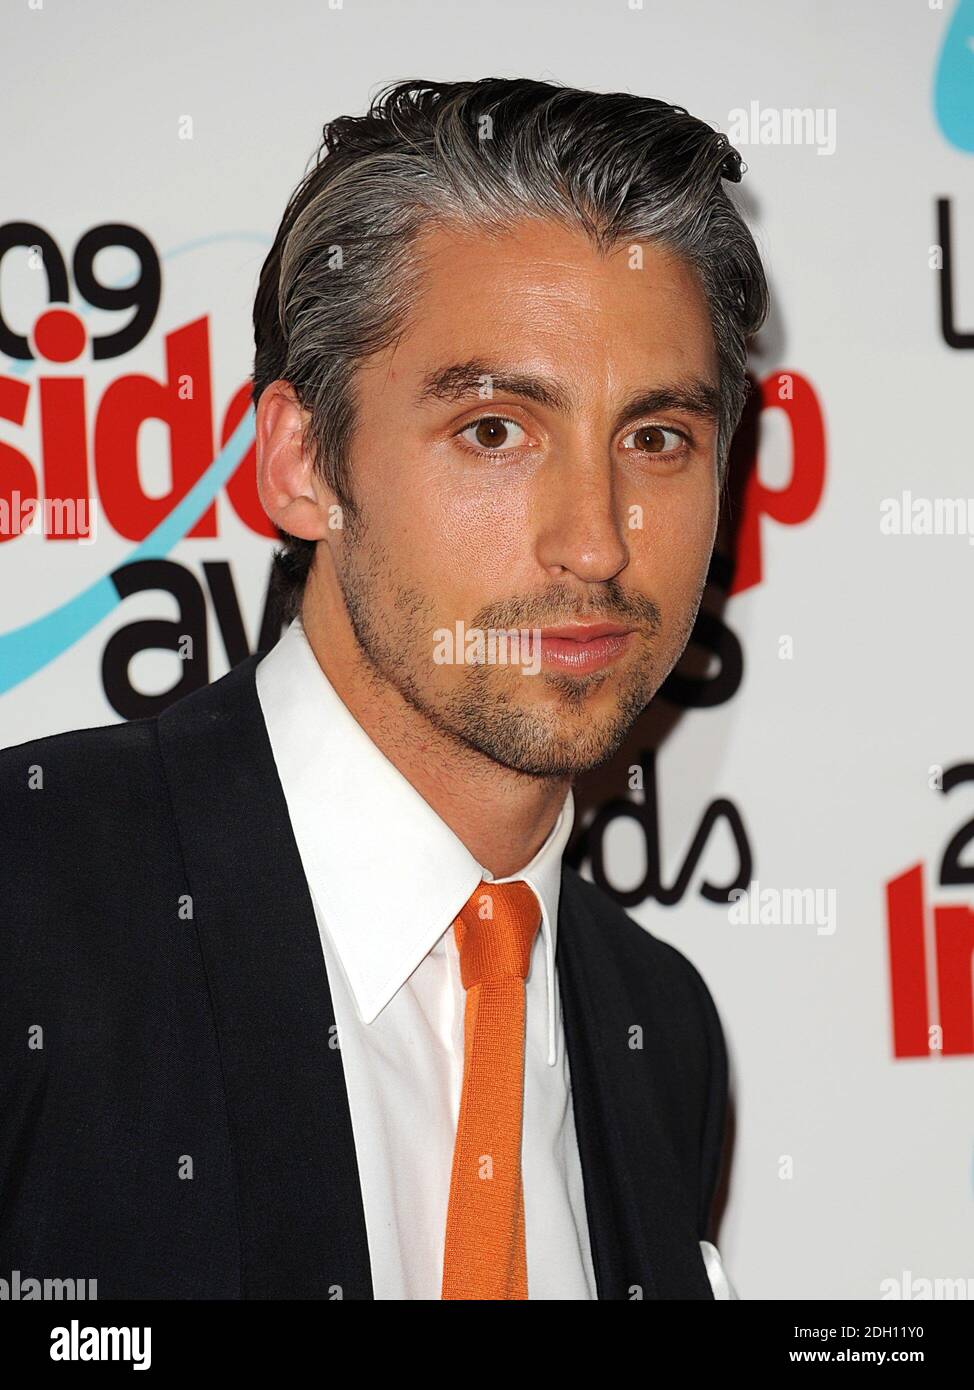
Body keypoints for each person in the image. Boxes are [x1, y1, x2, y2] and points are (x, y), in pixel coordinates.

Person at [0, 77, 768, 1300]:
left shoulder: (658, 1032)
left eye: (655, 439)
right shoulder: (32, 894)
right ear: (302, 463)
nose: (595, 542)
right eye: (494, 430)